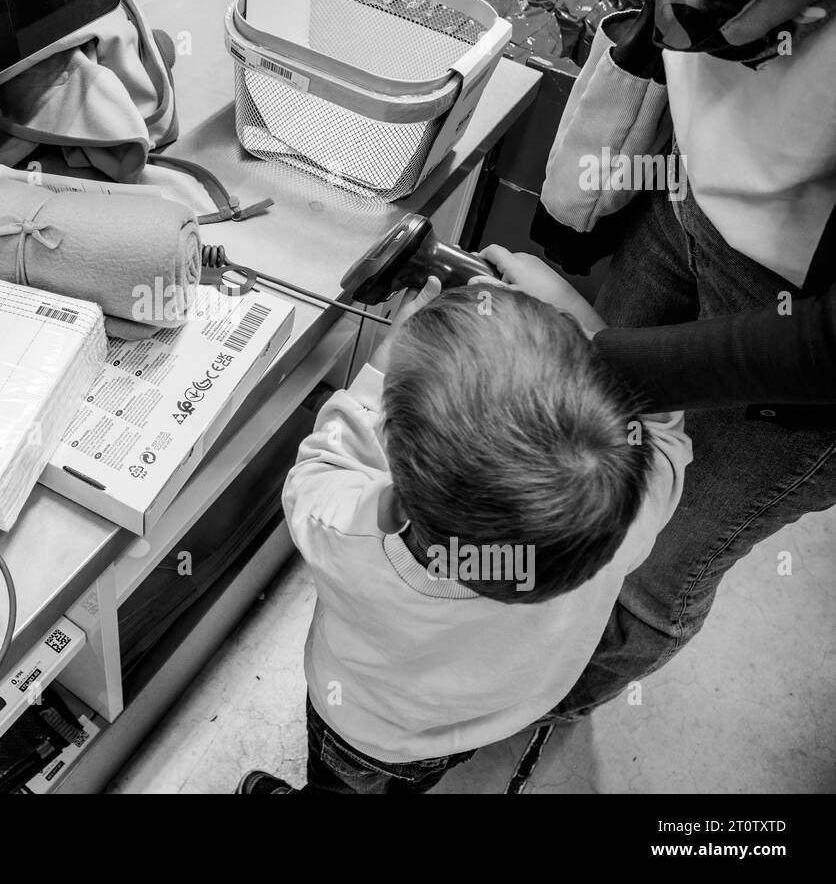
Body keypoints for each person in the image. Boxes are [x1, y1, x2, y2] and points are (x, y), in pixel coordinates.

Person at [481, 0, 836, 720]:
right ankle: (515, 653)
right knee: (575, 472)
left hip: (798, 337)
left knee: (655, 568)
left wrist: (602, 359)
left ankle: (543, 706)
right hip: (687, 191)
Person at [238, 279, 691, 794]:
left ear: (390, 467)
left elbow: (318, 466)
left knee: (340, 788)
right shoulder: (628, 516)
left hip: (359, 732)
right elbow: (664, 429)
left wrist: (381, 366)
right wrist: (574, 311)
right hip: (474, 727)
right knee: (411, 781)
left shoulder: (351, 529)